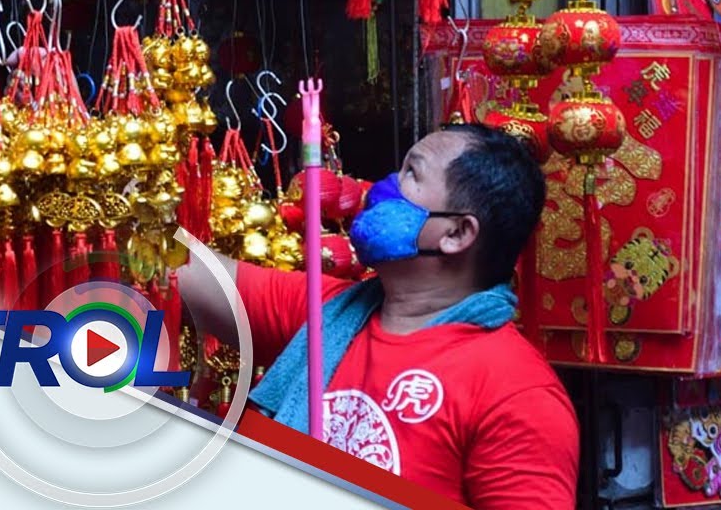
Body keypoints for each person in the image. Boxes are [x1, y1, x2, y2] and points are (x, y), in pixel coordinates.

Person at [179, 123, 579, 509]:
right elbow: (180, 269)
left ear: (456, 234)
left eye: (411, 173)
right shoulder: (331, 315)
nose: (383, 185)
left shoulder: (517, 393)